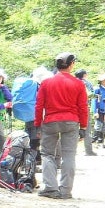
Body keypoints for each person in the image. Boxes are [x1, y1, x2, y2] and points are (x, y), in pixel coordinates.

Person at [35, 52, 88, 199]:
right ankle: (65, 190)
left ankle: (50, 188)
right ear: (71, 65)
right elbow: (83, 107)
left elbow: (39, 106)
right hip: (71, 121)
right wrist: (83, 127)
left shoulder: (46, 83)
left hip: (50, 121)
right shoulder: (78, 83)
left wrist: (38, 124)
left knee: (47, 154)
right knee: (69, 155)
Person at [76, 69, 97, 156]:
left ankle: (72, 151)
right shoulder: (87, 83)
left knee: (73, 129)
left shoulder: (72, 82)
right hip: (84, 107)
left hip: (73, 108)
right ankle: (88, 151)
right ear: (84, 75)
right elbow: (91, 94)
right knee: (87, 129)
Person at [92, 72, 105, 147]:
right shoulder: (97, 89)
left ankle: (101, 142)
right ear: (101, 81)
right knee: (98, 125)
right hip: (99, 110)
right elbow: (94, 101)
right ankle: (93, 142)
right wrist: (95, 111)